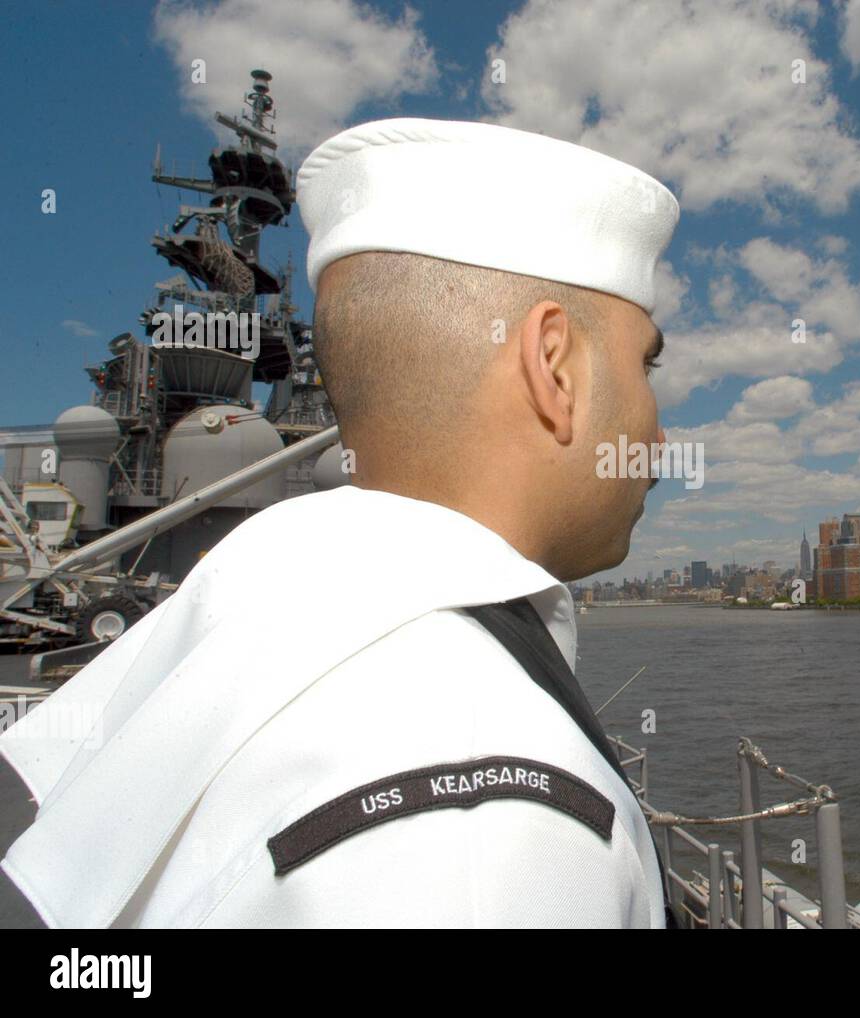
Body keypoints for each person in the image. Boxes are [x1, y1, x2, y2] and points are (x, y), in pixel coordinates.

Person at [0, 118, 679, 928]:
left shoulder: (239, 594)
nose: (660, 436)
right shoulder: (488, 823)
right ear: (554, 365)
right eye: (647, 364)